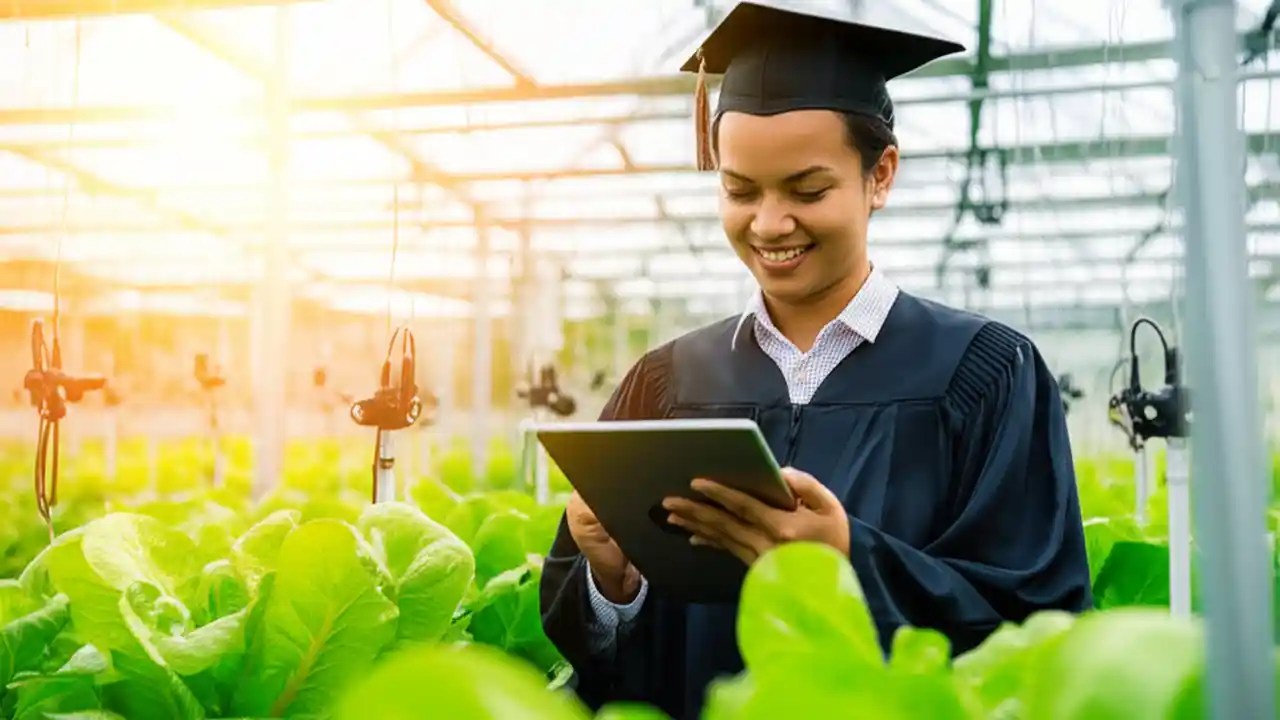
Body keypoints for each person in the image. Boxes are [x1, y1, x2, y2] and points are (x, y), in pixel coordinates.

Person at [540, 3, 1094, 718]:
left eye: (807, 190)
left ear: (880, 176)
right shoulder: (665, 383)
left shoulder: (986, 374)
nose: (769, 224)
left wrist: (849, 559)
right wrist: (610, 581)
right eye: (740, 190)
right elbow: (602, 656)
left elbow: (1036, 627)